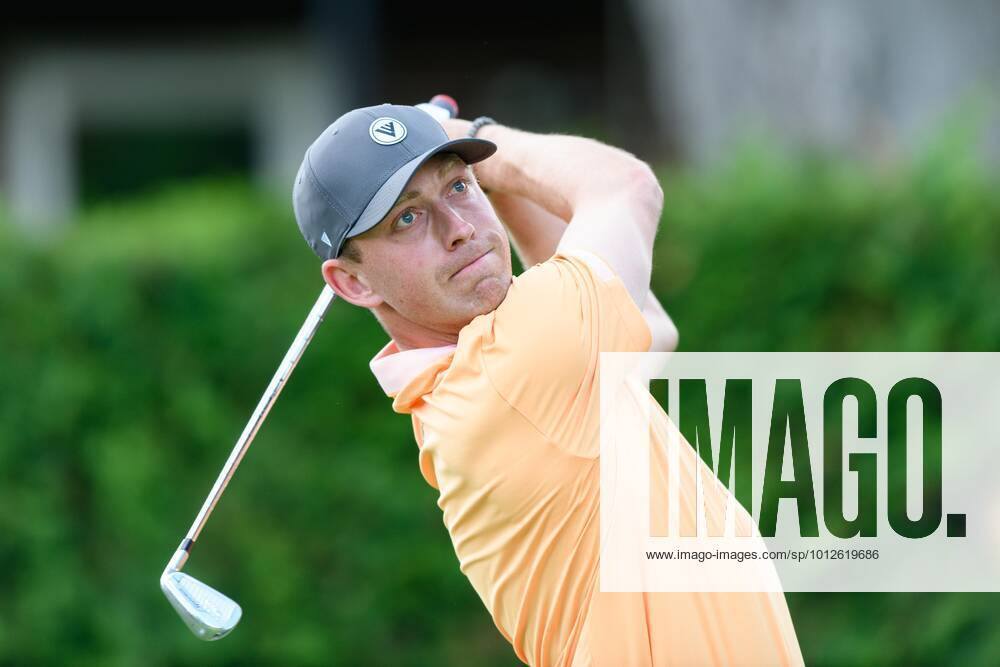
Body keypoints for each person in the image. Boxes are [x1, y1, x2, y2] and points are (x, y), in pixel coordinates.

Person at [292, 103, 804, 666]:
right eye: (407, 219)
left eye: (460, 187)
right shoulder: (510, 368)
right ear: (352, 282)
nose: (459, 230)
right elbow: (626, 185)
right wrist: (476, 138)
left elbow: (652, 331)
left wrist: (493, 184)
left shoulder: (483, 377)